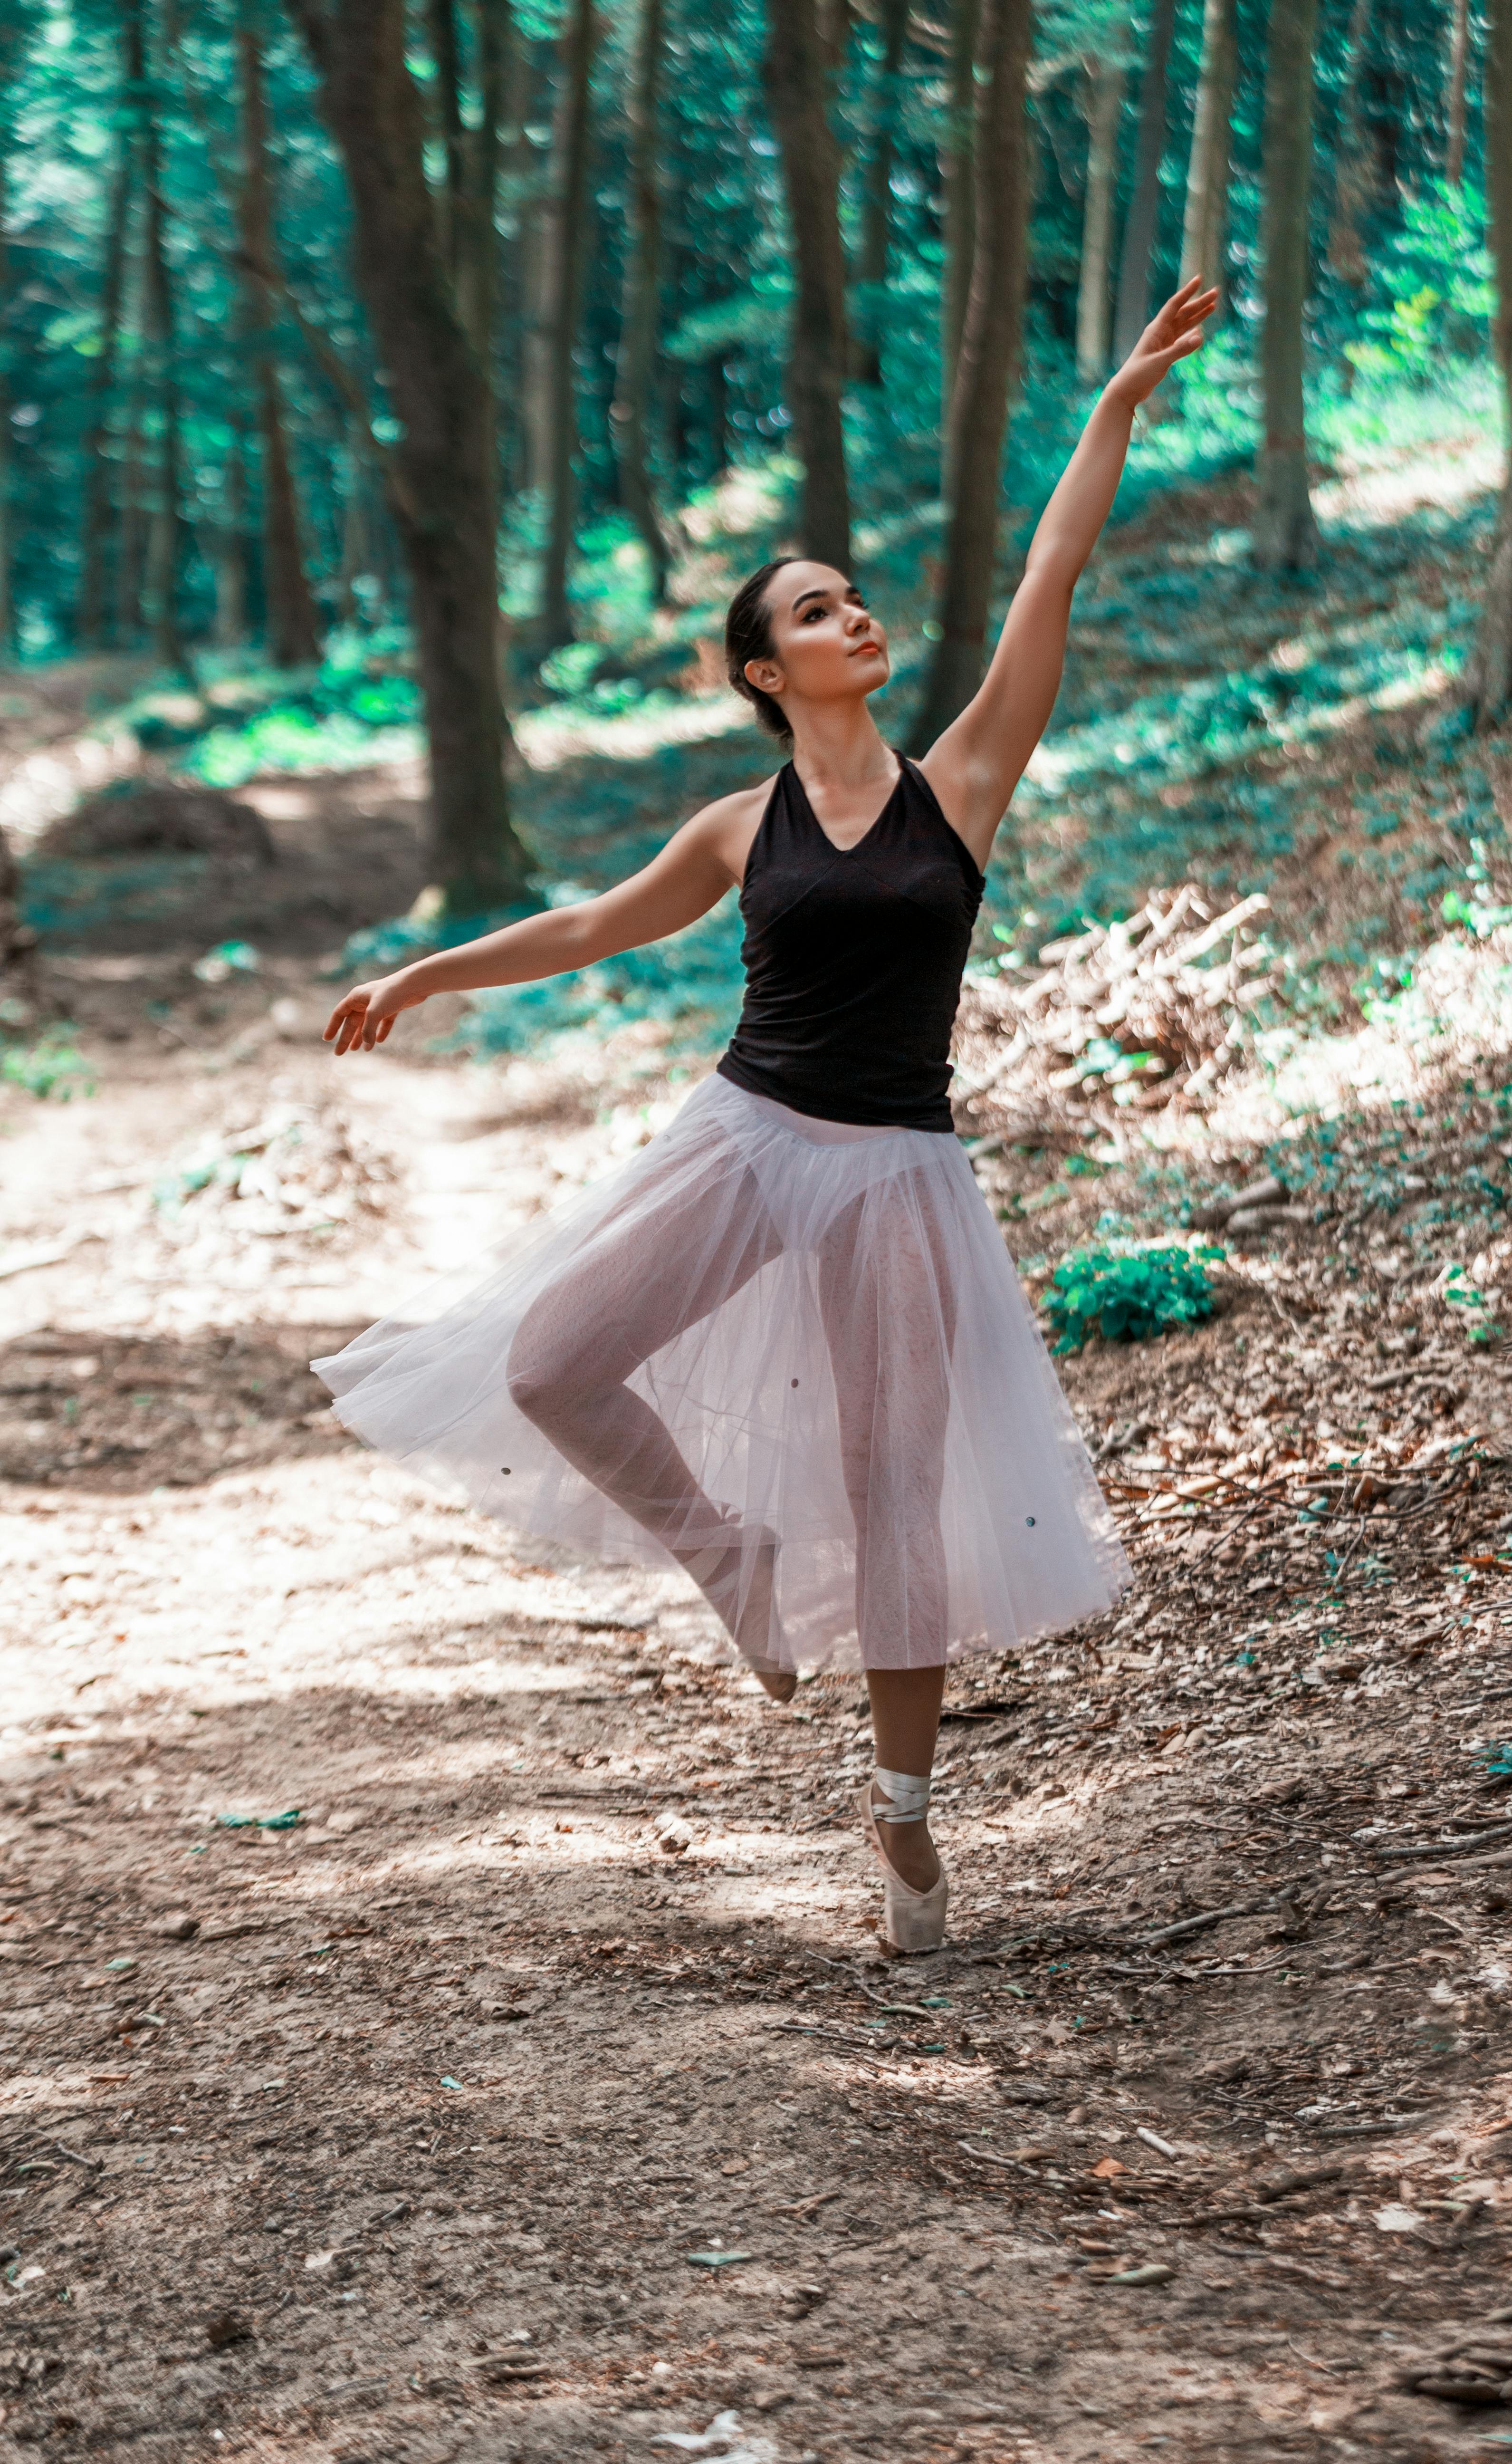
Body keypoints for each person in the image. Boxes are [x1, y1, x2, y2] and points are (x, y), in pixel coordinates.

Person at [316, 279, 1217, 1953]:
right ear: (762, 666)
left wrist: (1112, 413)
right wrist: (428, 975)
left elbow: (1049, 578)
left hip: (896, 1175)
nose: (857, 618)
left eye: (859, 600)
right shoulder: (742, 823)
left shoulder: (964, 782)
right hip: (743, 1137)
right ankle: (726, 1556)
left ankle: (903, 1837)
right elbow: (588, 927)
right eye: (820, 609)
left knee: (895, 1491)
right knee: (548, 1360)